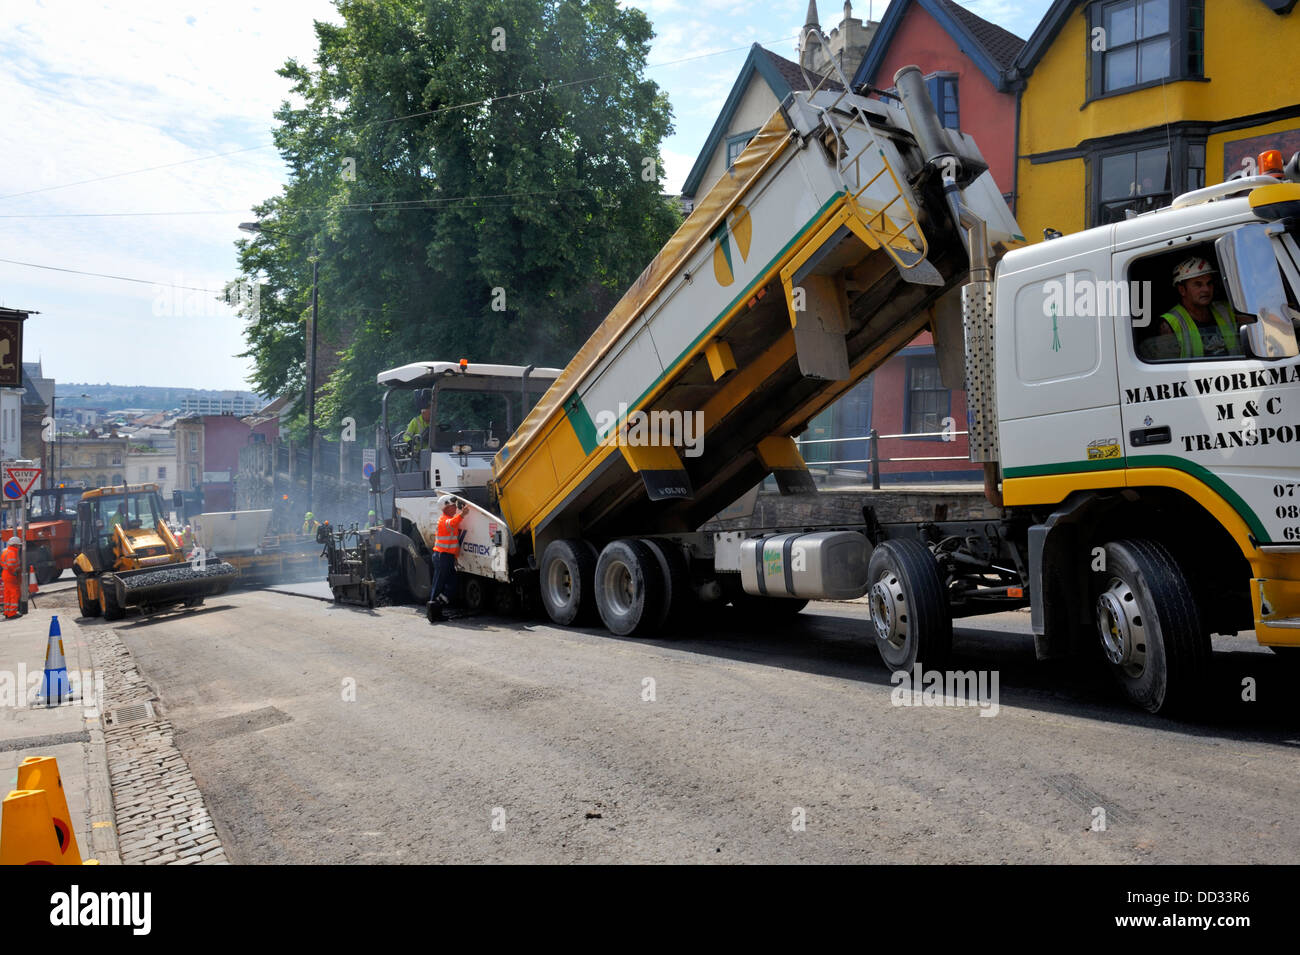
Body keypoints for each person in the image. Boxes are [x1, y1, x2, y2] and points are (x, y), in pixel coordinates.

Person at [1158, 257, 1242, 359]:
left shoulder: (1226, 309)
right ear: (1182, 290)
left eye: (1209, 283)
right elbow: (1168, 368)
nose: (1206, 289)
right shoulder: (1170, 323)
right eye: (1198, 284)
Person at [426, 494, 469, 623]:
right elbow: (452, 522)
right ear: (445, 508)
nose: (455, 508)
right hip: (442, 557)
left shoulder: (447, 519)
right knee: (438, 585)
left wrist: (454, 557)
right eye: (452, 506)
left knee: (452, 584)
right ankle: (433, 613)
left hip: (447, 557)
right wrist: (463, 514)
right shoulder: (444, 520)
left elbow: (453, 543)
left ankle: (437, 606)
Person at [2, 536, 21, 619]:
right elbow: (11, 565)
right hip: (11, 575)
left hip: (5, 574)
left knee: (7, 594)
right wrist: (16, 571)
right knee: (14, 593)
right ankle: (12, 613)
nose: (19, 547)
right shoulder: (12, 552)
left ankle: (7, 612)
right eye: (18, 545)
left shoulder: (5, 551)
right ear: (15, 545)